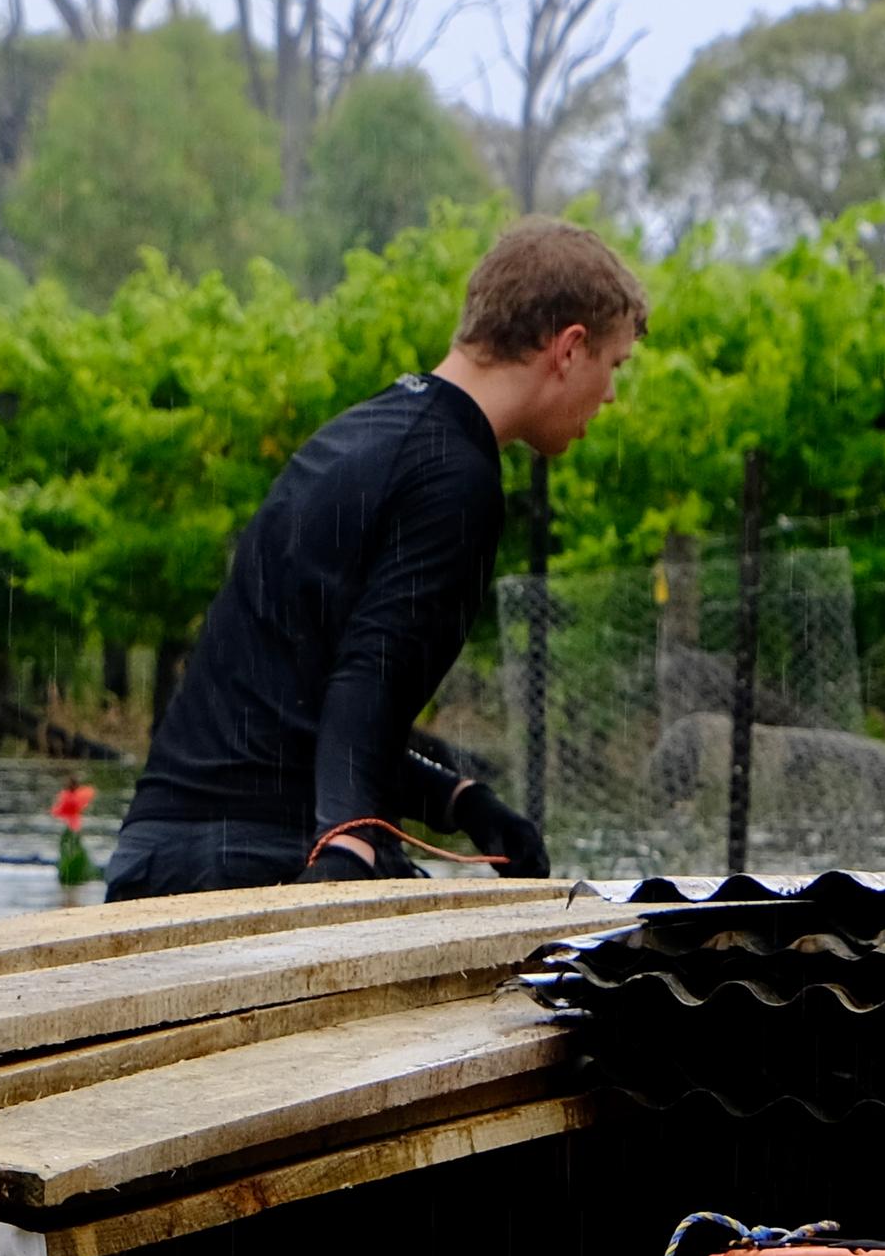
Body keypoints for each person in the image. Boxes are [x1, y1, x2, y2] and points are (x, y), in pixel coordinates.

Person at [103, 218, 645, 896]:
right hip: (256, 862)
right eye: (613, 365)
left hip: (157, 857)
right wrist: (349, 842)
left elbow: (299, 705)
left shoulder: (368, 430)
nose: (612, 394)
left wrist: (458, 800)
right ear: (569, 348)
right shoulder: (458, 476)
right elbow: (369, 675)